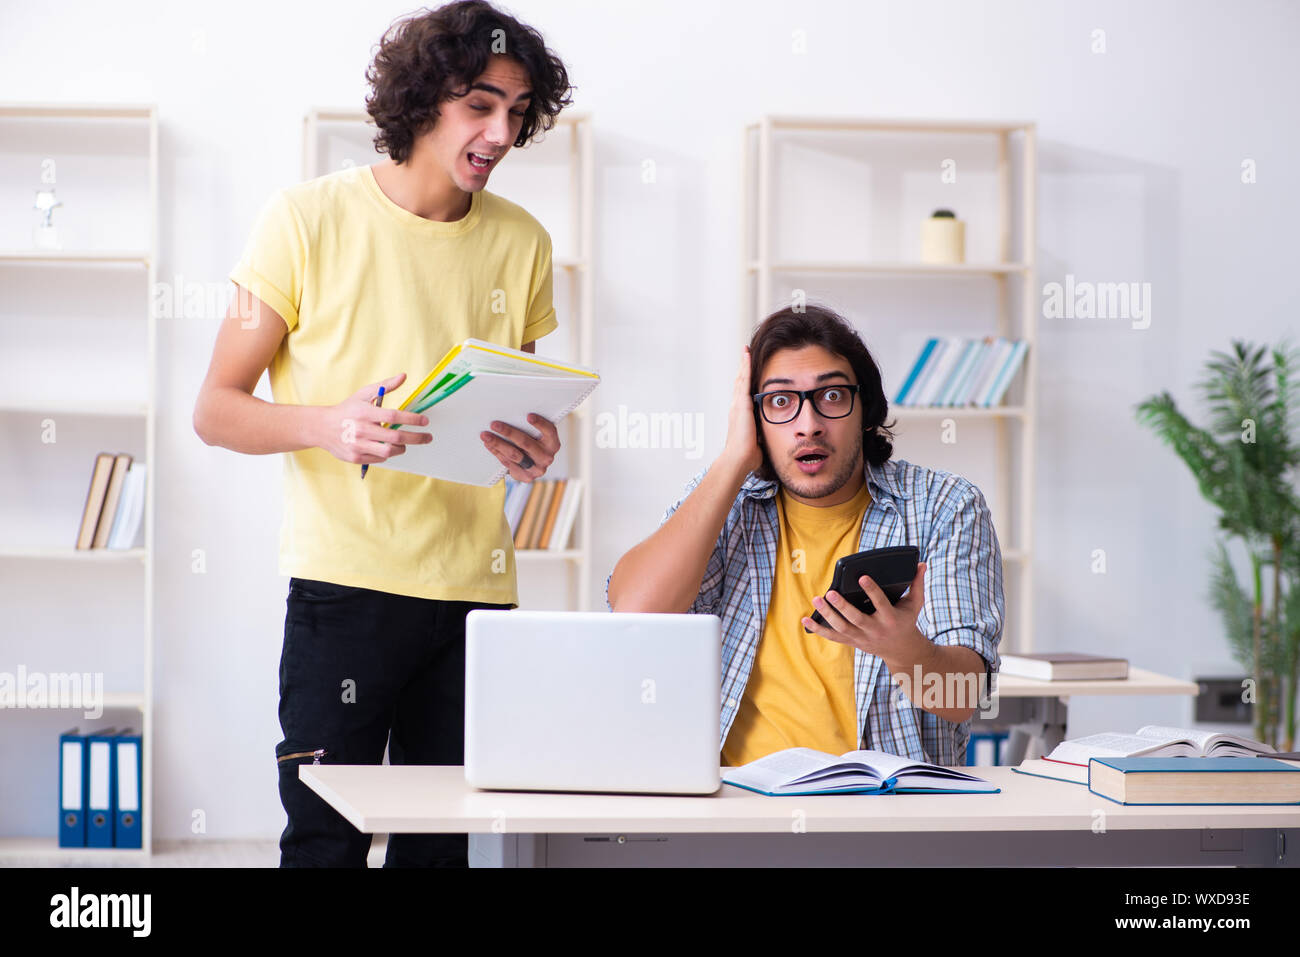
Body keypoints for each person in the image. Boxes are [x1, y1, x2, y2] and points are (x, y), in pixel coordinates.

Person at [192, 0, 572, 866]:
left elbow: (505, 410)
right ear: (423, 96)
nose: (501, 131)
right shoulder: (301, 219)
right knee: (325, 842)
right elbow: (214, 406)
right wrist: (329, 424)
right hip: (345, 594)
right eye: (480, 104)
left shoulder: (524, 243)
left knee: (439, 852)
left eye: (517, 111)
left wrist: (534, 450)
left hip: (477, 596)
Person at [607, 304, 1004, 767]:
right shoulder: (726, 501)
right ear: (754, 419)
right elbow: (635, 611)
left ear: (865, 409)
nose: (808, 423)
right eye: (780, 401)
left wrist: (900, 647)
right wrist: (733, 459)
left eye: (831, 396)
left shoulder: (946, 506)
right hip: (737, 810)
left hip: (886, 812)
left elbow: (964, 698)